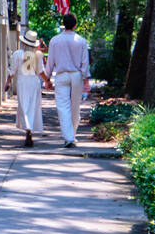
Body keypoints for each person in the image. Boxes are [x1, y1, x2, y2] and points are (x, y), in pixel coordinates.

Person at [46, 13, 91, 147]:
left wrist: (47, 78)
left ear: (63, 24)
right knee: (75, 106)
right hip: (76, 75)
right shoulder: (81, 40)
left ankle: (69, 137)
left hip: (61, 75)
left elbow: (50, 61)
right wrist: (86, 80)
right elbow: (85, 62)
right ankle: (71, 135)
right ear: (75, 25)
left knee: (63, 106)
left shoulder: (55, 40)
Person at [6, 29, 51, 147]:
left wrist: (8, 82)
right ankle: (29, 129)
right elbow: (41, 71)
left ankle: (28, 128)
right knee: (32, 106)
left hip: (22, 82)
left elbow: (12, 71)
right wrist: (47, 81)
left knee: (23, 105)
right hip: (34, 82)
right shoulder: (38, 55)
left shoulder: (18, 54)